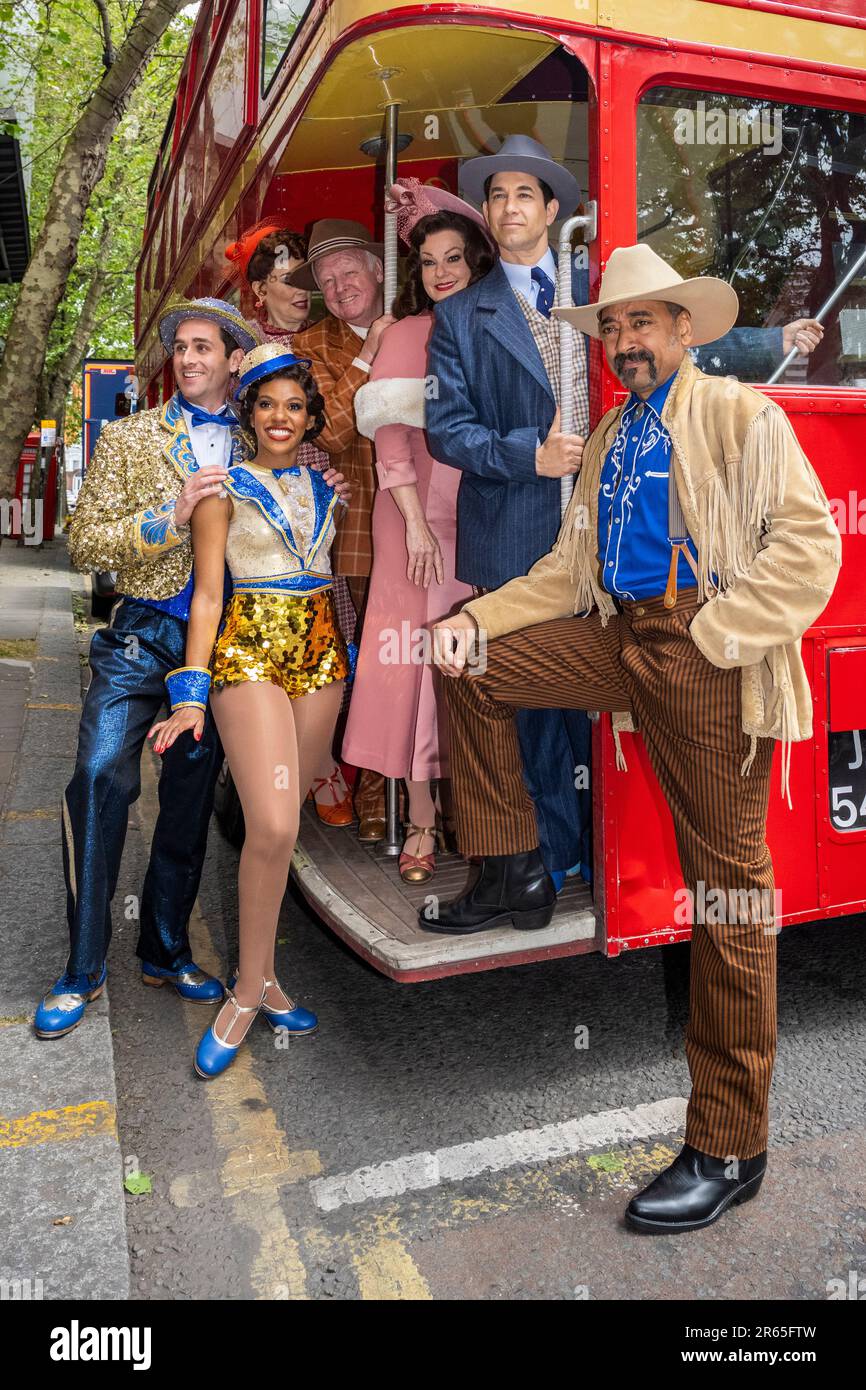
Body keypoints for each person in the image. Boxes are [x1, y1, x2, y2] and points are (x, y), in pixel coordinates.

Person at [427, 243, 841, 1232]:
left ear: (683, 330)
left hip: (705, 646)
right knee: (468, 667)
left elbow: (807, 548)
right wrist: (476, 618)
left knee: (730, 896)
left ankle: (729, 1145)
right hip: (621, 636)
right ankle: (514, 866)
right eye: (608, 328)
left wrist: (712, 635)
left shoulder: (741, 414)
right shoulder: (611, 431)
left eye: (639, 324)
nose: (621, 342)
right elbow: (567, 574)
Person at [34, 299, 258, 1037]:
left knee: (191, 799)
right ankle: (82, 969)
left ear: (232, 358)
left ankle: (164, 950)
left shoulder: (264, 437)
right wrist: (168, 515)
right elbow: (86, 546)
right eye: (181, 348)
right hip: (138, 637)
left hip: (223, 646)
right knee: (98, 777)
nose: (190, 359)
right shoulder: (130, 438)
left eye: (204, 347)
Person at [148, 344, 350, 1078]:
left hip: (323, 659)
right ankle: (242, 991)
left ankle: (265, 977)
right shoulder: (220, 490)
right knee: (268, 823)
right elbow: (207, 596)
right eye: (267, 403)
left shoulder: (329, 484)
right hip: (249, 656)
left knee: (284, 830)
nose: (280, 417)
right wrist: (190, 691)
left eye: (295, 405)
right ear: (249, 411)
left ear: (309, 416)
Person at [426, 136, 593, 888]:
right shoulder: (460, 315)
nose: (508, 207)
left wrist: (772, 340)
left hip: (604, 536)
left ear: (552, 210)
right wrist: (531, 455)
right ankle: (549, 863)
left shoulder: (600, 287)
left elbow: (675, 347)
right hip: (514, 533)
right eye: (496, 197)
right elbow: (446, 430)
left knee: (602, 699)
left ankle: (607, 853)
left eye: (524, 194)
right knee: (528, 712)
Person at [345, 180, 495, 881]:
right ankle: (425, 822)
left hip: (482, 522)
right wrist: (417, 529)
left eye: (452, 259)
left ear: (475, 264)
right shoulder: (407, 333)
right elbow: (391, 443)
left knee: (473, 665)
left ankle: (477, 811)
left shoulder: (493, 328)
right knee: (418, 672)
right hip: (416, 523)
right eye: (429, 261)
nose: (439, 273)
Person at [225, 224, 356, 826]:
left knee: (332, 636)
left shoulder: (321, 339)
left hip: (316, 508)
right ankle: (292, 777)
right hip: (256, 524)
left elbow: (336, 432)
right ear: (258, 290)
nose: (304, 289)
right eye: (287, 277)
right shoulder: (243, 352)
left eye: (309, 277)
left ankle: (317, 762)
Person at [291, 221, 394, 841]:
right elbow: (327, 433)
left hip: (433, 521)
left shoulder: (421, 325)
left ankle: (430, 793)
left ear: (379, 271)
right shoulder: (310, 345)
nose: (339, 286)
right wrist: (369, 353)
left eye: (349, 271)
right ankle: (369, 784)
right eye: (327, 280)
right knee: (372, 662)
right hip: (357, 530)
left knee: (432, 659)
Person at [225, 224, 312, 342]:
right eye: (288, 280)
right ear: (261, 290)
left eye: (304, 276)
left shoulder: (331, 335)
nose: (302, 289)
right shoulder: (244, 345)